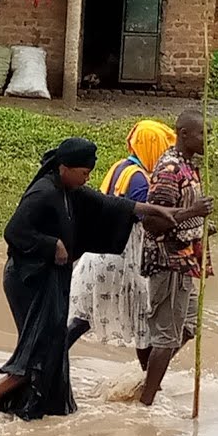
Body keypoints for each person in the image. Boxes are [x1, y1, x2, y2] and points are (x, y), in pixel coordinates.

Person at [0, 138, 208, 420]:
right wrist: (52, 245)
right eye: (84, 173)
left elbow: (115, 205)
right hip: (27, 280)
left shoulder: (72, 191)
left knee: (52, 346)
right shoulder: (43, 193)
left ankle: (36, 408)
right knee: (44, 347)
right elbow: (14, 232)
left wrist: (168, 212)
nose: (87, 179)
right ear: (64, 168)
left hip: (52, 278)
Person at [67, 120, 177, 364]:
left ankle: (50, 357)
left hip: (103, 251)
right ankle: (148, 384)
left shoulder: (122, 166)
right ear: (152, 147)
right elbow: (146, 220)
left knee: (84, 316)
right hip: (121, 257)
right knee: (142, 321)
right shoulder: (138, 178)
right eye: (163, 148)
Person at [140, 110, 216, 406]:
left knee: (189, 326)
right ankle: (145, 401)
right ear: (184, 134)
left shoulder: (190, 167)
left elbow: (180, 215)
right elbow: (152, 221)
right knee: (167, 336)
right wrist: (193, 213)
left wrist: (201, 227)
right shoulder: (170, 169)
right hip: (168, 261)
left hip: (185, 262)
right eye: (202, 134)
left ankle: (147, 381)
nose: (207, 140)